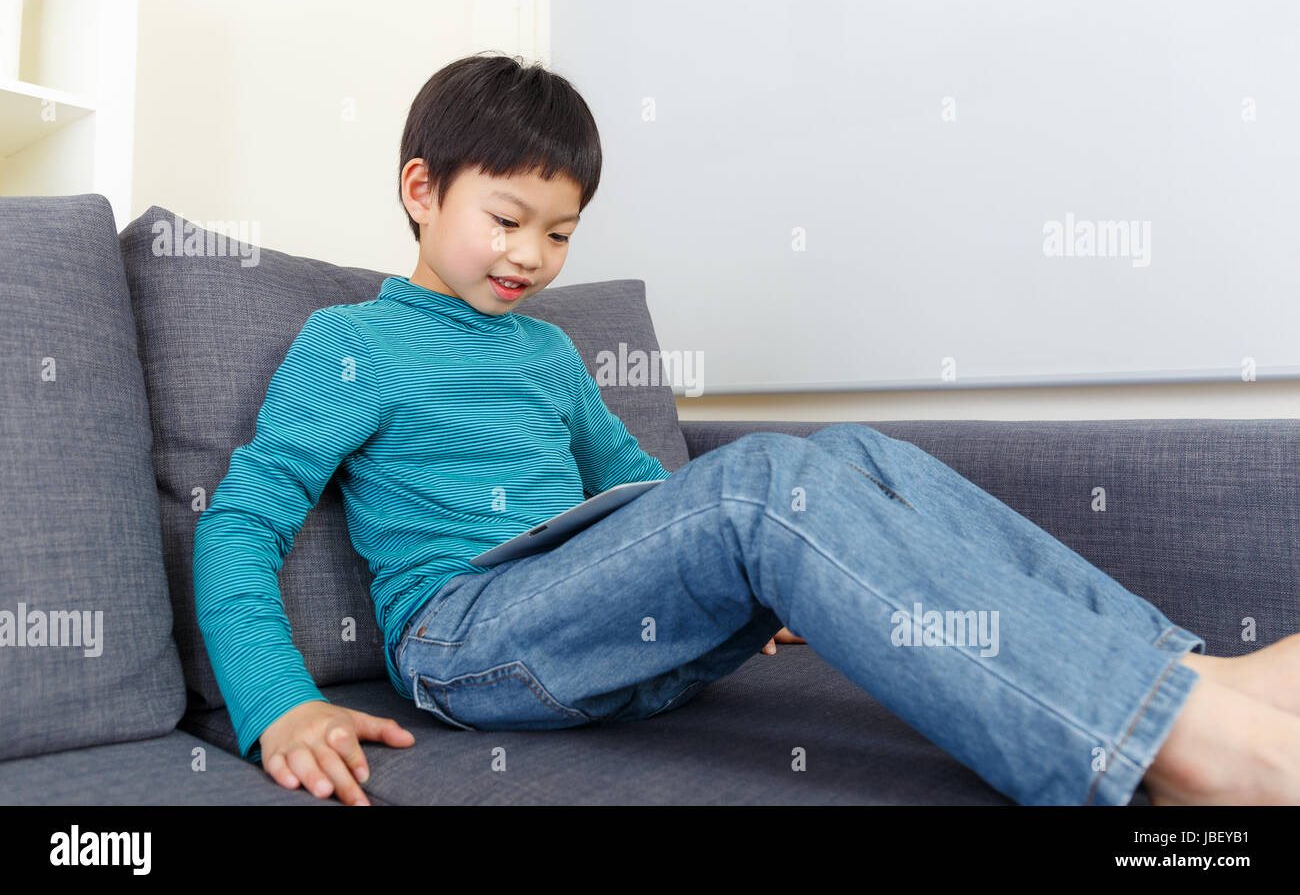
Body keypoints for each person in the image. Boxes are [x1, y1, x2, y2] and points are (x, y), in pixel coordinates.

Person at [193, 53, 1300, 807]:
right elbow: (242, 518)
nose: (530, 257)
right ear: (421, 189)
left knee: (854, 453)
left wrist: (722, 560)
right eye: (507, 220)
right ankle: (1156, 745)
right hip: (468, 641)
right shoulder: (351, 341)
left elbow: (630, 479)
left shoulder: (544, 350)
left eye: (560, 232)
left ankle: (1184, 668)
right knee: (767, 480)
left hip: (598, 616)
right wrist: (278, 702)